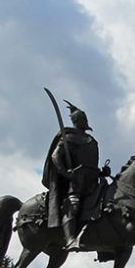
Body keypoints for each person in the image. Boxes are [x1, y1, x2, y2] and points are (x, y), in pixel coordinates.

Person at [41, 101, 100, 250]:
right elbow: (56, 157)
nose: (85, 121)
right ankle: (70, 239)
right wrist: (65, 172)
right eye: (83, 119)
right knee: (73, 205)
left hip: (93, 181)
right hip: (76, 181)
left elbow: (93, 164)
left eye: (85, 119)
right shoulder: (68, 138)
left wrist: (102, 171)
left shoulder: (92, 141)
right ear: (77, 121)